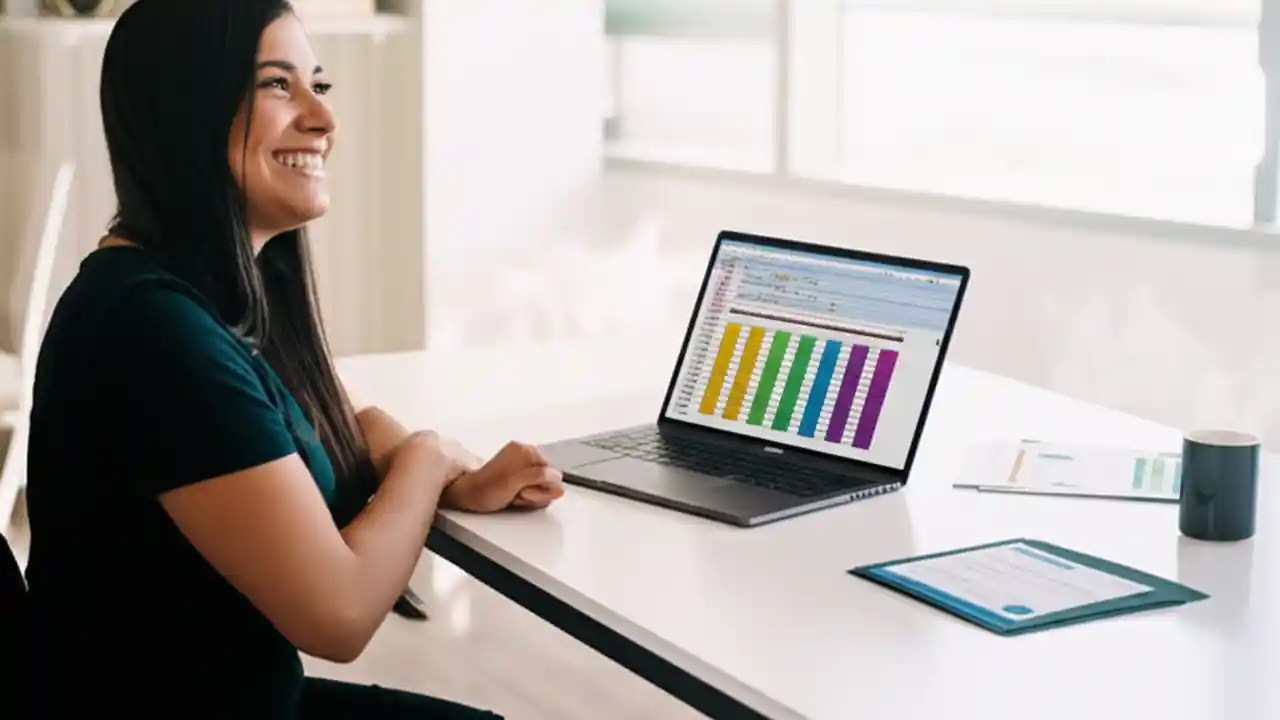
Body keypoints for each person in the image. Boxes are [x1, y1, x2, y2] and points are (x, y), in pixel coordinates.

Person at [20, 0, 565, 716]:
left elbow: (331, 424)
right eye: (278, 85)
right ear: (184, 107)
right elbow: (336, 615)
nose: (323, 120)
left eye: (318, 85)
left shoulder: (193, 289)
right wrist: (429, 460)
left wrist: (438, 477)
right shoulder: (155, 332)